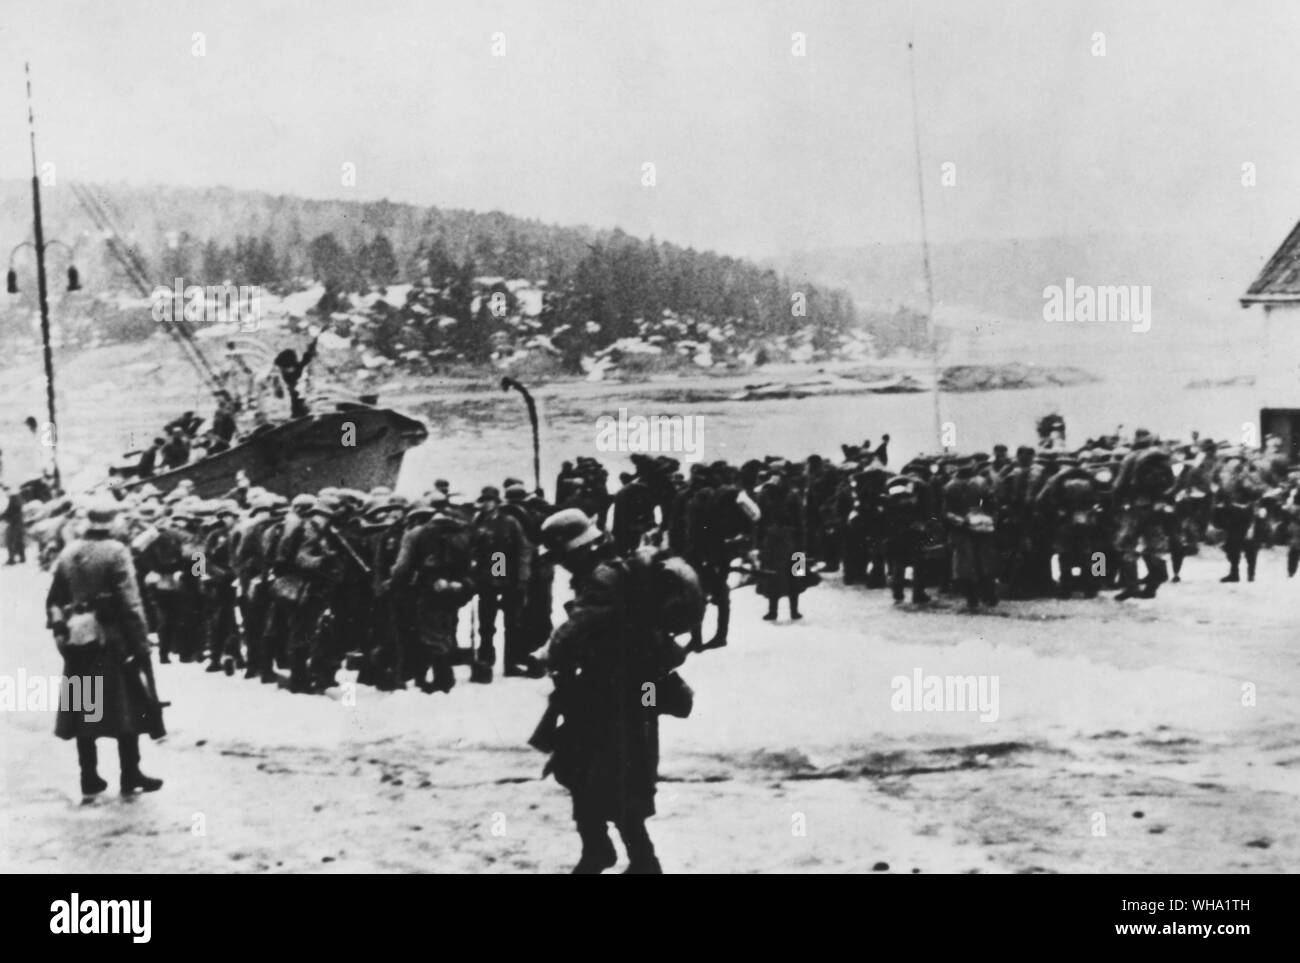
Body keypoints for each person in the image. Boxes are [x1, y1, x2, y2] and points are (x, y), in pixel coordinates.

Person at [533, 508, 701, 874]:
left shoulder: (602, 578)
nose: (561, 564)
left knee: (606, 772)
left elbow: (579, 627)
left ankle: (634, 860)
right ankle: (609, 852)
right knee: (599, 770)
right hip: (629, 687)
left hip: (615, 689)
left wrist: (549, 651)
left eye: (562, 556)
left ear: (575, 549)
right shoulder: (614, 570)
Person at [46, 501, 164, 796]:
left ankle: (89, 776)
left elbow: (53, 600)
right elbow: (130, 602)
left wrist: (62, 631)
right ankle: (131, 773)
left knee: (85, 706)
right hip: (111, 638)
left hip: (77, 640)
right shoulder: (117, 551)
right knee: (127, 706)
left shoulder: (68, 551)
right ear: (112, 523)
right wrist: (140, 642)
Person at [3, 484, 26, 564]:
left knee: (10, 540)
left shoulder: (13, 499)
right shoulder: (17, 498)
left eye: (6, 491)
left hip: (14, 523)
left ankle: (11, 559)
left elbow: (10, 511)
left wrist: (3, 516)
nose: (6, 493)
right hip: (19, 522)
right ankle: (22, 557)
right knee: (19, 540)